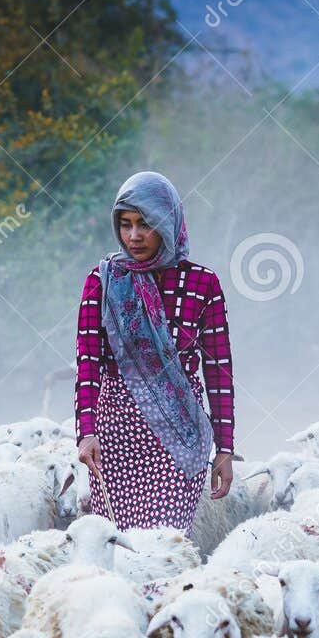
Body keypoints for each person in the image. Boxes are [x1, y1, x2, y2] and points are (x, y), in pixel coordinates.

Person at [73, 171, 236, 531]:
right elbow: (88, 364)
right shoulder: (103, 281)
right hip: (116, 439)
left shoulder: (203, 284)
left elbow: (218, 370)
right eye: (126, 224)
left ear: (167, 222)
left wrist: (225, 448)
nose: (134, 236)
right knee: (119, 546)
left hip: (181, 440)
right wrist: (86, 432)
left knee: (163, 545)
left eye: (145, 224)